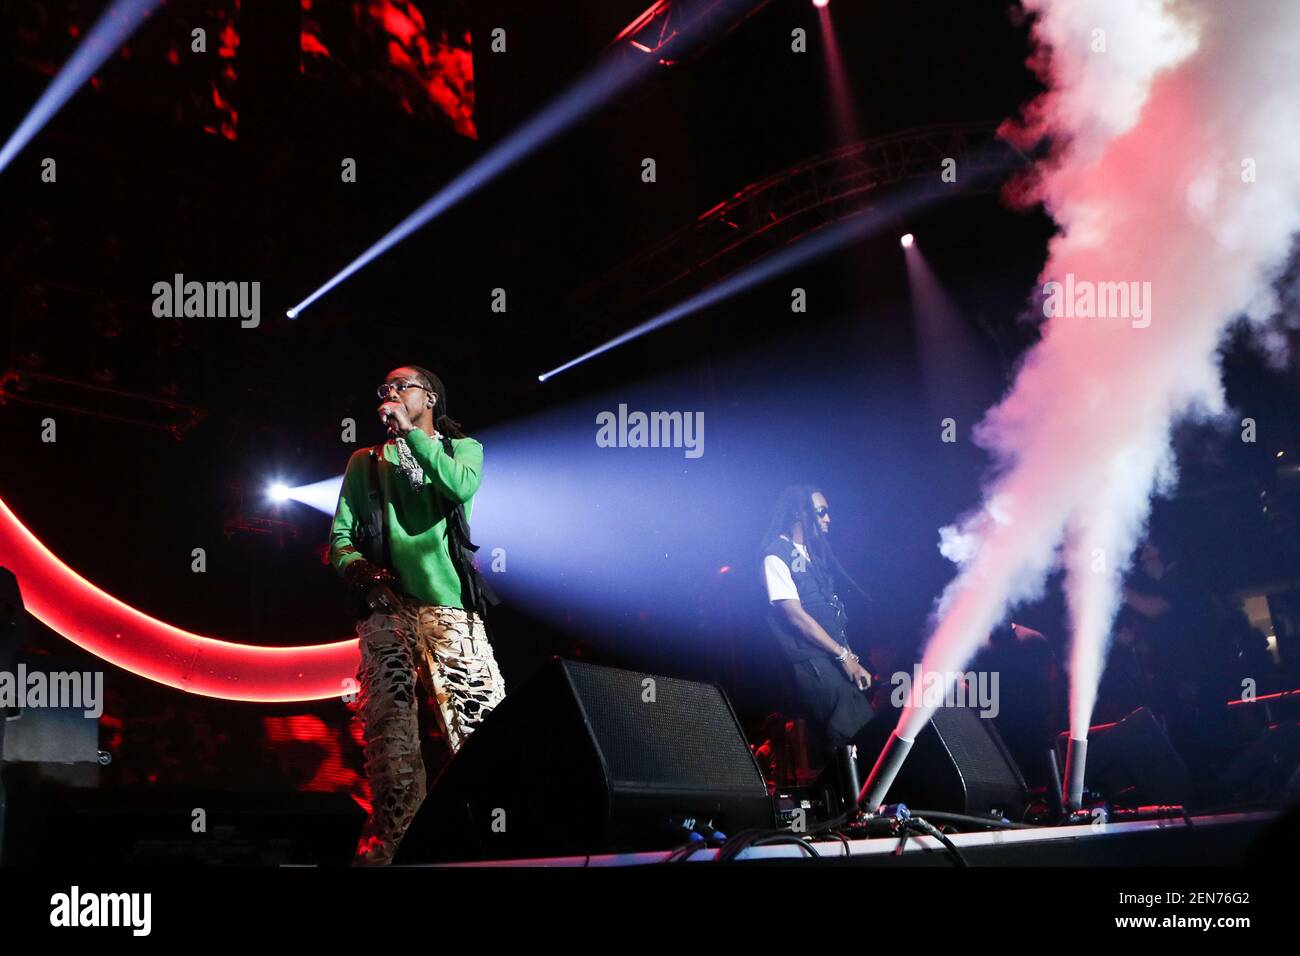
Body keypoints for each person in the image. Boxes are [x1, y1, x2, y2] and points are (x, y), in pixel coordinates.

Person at [329, 365, 503, 865]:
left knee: (481, 730)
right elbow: (340, 540)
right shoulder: (365, 462)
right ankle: (393, 852)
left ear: (428, 397)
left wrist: (412, 436)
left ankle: (492, 845)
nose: (388, 394)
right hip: (390, 608)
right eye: (382, 388)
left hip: (451, 608)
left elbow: (459, 488)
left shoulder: (461, 450)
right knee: (392, 745)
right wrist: (368, 578)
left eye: (399, 386)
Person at [760, 486, 873, 762]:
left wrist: (849, 657)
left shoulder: (808, 554)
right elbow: (796, 618)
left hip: (833, 661)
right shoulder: (775, 556)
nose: (828, 518)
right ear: (799, 513)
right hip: (813, 666)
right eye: (821, 511)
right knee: (849, 738)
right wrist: (843, 655)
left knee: (864, 737)